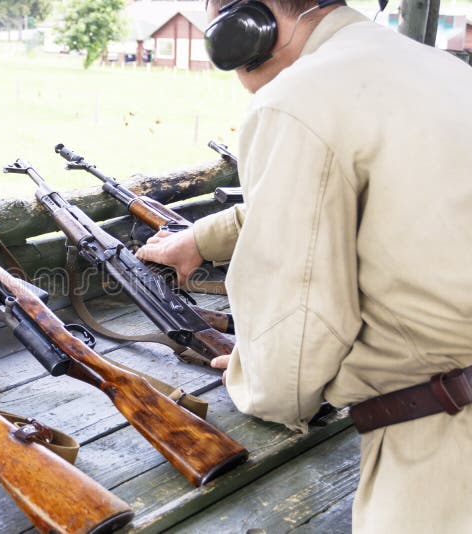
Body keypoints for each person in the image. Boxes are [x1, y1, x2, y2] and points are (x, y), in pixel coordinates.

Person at [136, 1, 472, 532]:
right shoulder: (440, 68)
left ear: (246, 28)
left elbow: (290, 367)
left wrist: (251, 371)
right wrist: (200, 238)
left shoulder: (295, 101)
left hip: (444, 443)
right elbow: (346, 191)